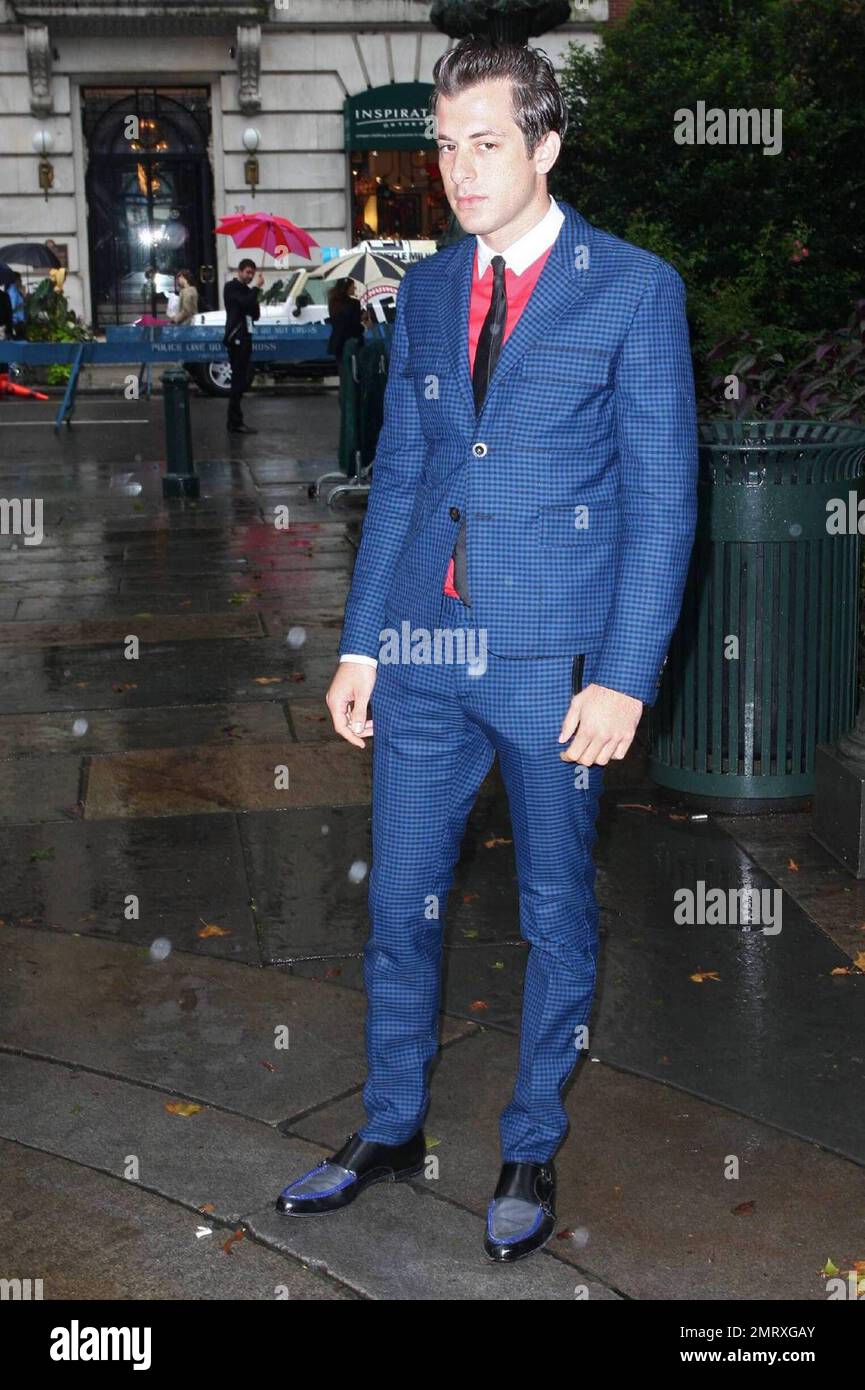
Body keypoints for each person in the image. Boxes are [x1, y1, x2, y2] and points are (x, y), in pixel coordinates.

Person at [275, 38, 698, 1262]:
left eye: (484, 143)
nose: (458, 170)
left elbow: (667, 501)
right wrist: (360, 644)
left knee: (555, 910)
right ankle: (393, 1123)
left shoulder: (631, 289)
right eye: (444, 146)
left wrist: (625, 673)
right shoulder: (424, 291)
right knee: (399, 905)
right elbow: (402, 475)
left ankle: (527, 1139)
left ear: (544, 146)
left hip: (555, 665)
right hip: (419, 651)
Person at [222, 258, 263, 434]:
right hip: (236, 337)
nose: (250, 276)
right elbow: (243, 304)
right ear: (239, 271)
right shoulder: (231, 288)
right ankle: (234, 421)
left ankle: (236, 418)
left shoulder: (248, 290)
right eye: (247, 272)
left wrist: (255, 293)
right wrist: (256, 288)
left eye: (252, 274)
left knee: (242, 379)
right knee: (238, 380)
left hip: (246, 336)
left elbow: (255, 313)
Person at [326, 276, 364, 365]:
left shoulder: (333, 302)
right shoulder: (355, 303)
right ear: (347, 287)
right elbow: (355, 327)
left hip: (337, 342)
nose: (354, 288)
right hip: (351, 343)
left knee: (343, 372)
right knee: (353, 371)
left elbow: (341, 321)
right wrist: (365, 325)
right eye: (352, 286)